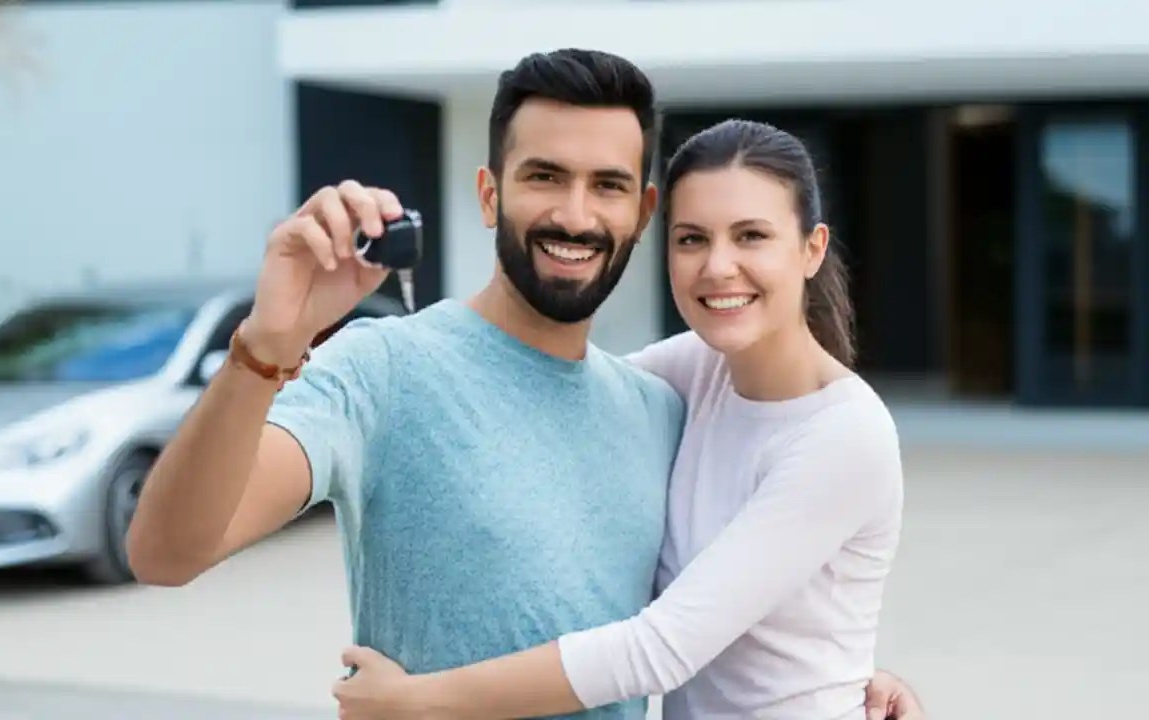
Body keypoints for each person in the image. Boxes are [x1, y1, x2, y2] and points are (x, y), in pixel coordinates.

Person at [125, 47, 920, 720]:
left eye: (607, 185)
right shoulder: (385, 369)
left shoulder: (654, 403)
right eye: (545, 176)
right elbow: (165, 554)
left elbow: (712, 612)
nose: (575, 215)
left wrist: (839, 678)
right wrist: (265, 348)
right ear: (488, 193)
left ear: (640, 213)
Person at [331, 118, 916, 720]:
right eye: (691, 239)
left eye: (751, 236)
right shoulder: (696, 369)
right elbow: (549, 391)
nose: (718, 266)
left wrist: (417, 702)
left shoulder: (844, 434)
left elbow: (661, 648)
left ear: (811, 249)